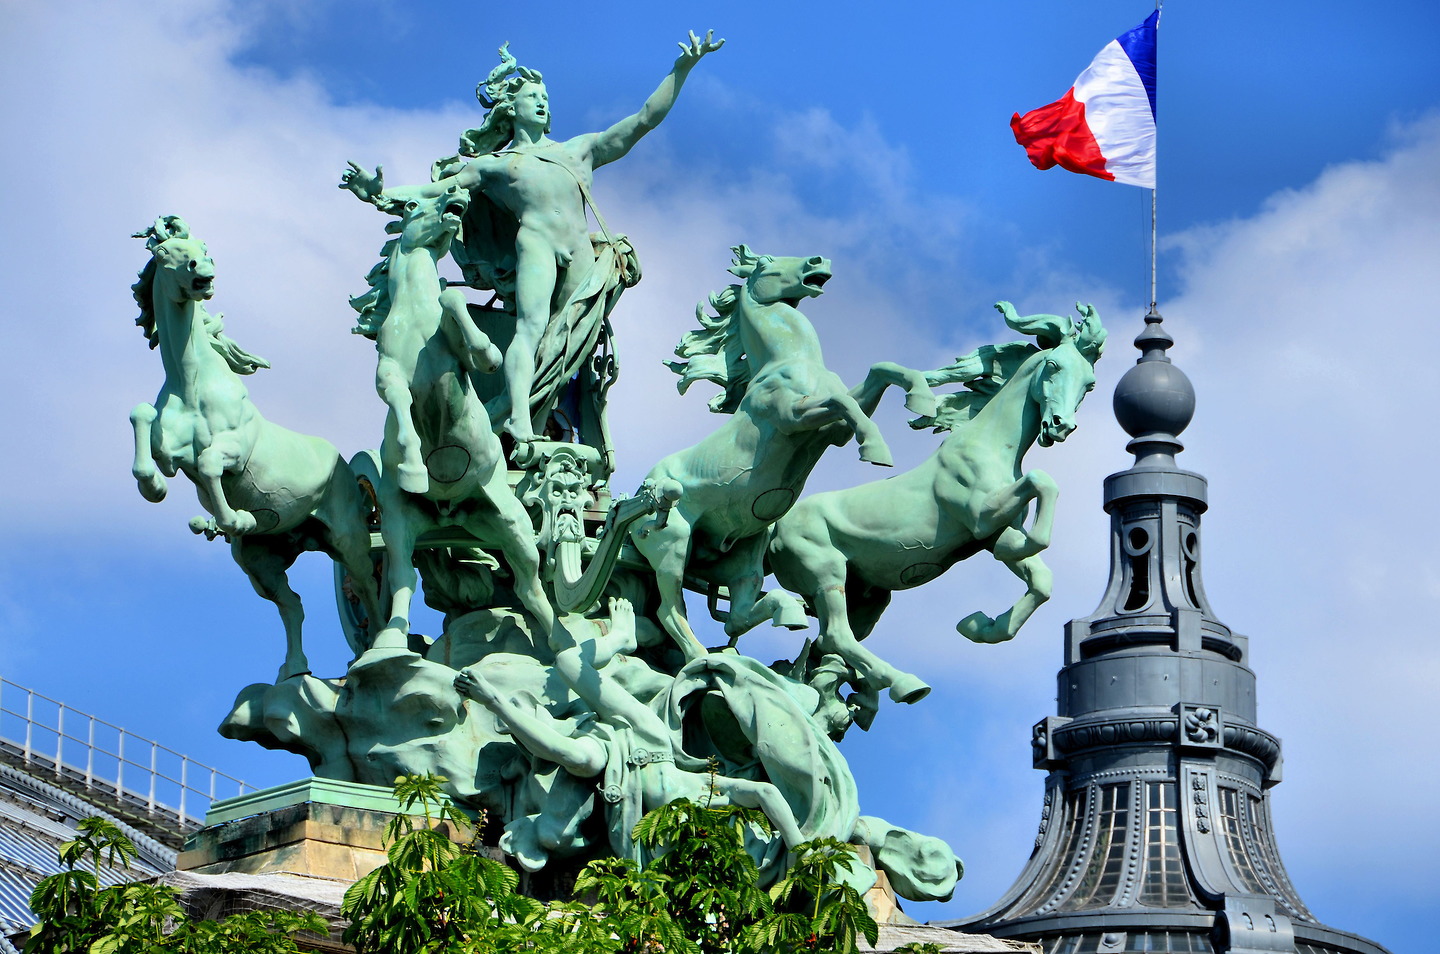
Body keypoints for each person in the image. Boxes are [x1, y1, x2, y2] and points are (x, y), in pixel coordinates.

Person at [343, 30, 724, 446]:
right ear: (511, 108)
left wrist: (681, 69)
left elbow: (642, 120)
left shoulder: (578, 151)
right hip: (536, 244)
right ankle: (520, 418)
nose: (543, 103)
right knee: (531, 328)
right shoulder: (496, 165)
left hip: (579, 249)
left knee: (572, 337)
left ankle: (538, 410)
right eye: (533, 97)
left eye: (546, 97)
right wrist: (378, 194)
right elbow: (434, 192)